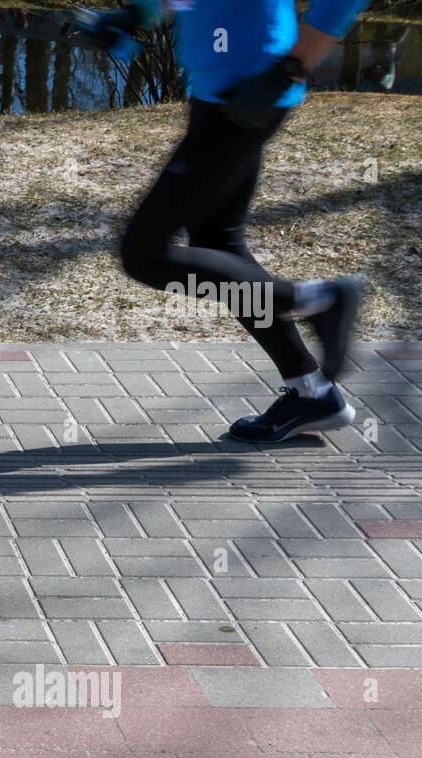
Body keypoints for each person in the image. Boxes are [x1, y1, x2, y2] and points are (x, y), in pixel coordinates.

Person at [81, 0, 371, 443]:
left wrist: (290, 68)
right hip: (221, 95)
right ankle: (312, 392)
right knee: (218, 245)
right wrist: (135, 16)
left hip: (255, 93)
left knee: (144, 254)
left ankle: (321, 299)